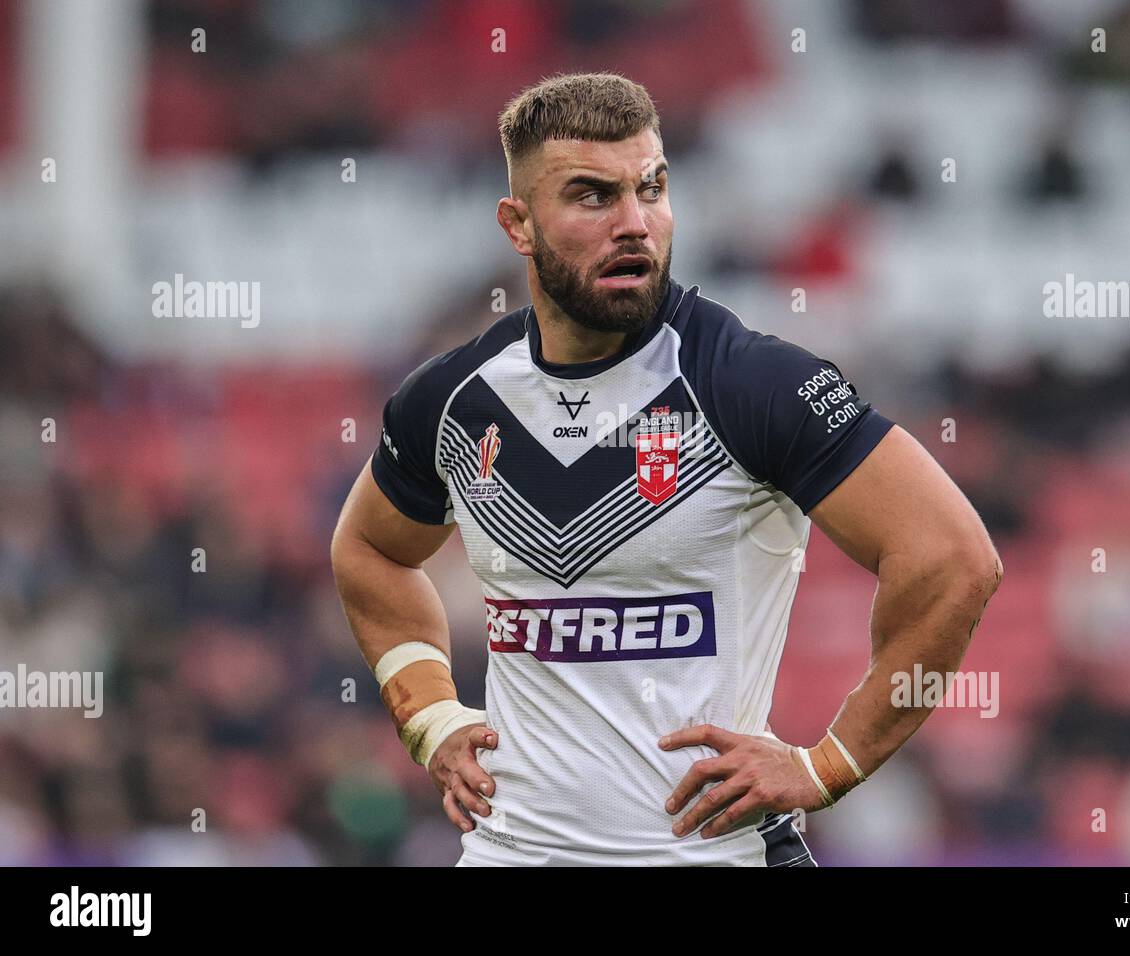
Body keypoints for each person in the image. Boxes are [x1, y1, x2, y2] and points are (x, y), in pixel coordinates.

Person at [331, 72, 1002, 866]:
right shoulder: (451, 399)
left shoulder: (751, 384)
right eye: (591, 197)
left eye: (651, 189)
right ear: (518, 224)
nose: (635, 224)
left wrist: (831, 764)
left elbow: (953, 560)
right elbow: (369, 550)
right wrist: (431, 717)